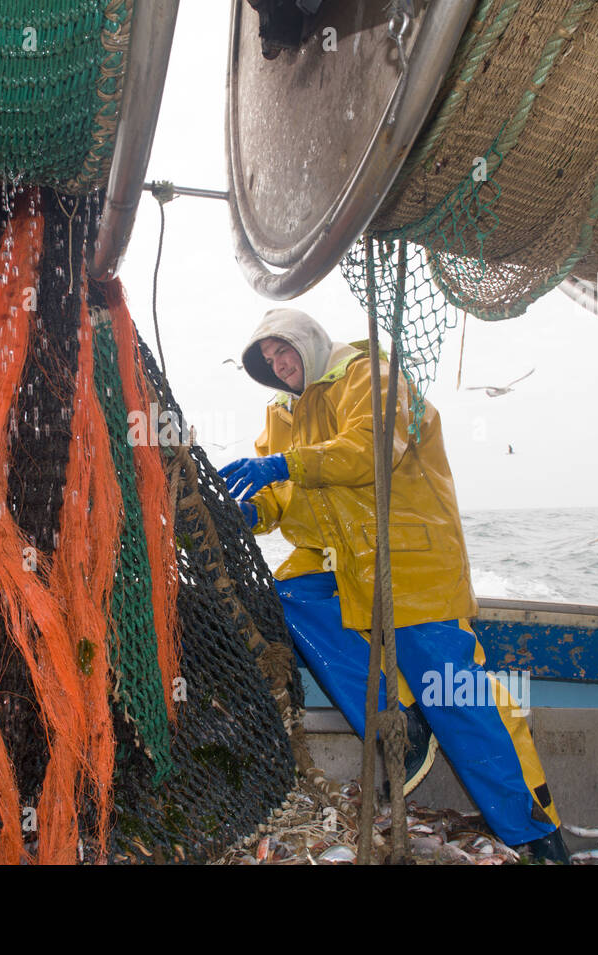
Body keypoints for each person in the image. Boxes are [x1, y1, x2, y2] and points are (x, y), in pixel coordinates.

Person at [220, 307, 568, 862]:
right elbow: (281, 493)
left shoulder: (371, 374)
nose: (280, 364)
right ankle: (397, 721)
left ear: (309, 342)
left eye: (284, 350)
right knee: (286, 598)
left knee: (459, 698)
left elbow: (371, 450)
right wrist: (246, 509)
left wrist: (282, 465)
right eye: (268, 360)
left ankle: (536, 834)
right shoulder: (280, 415)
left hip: (409, 568)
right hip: (338, 566)